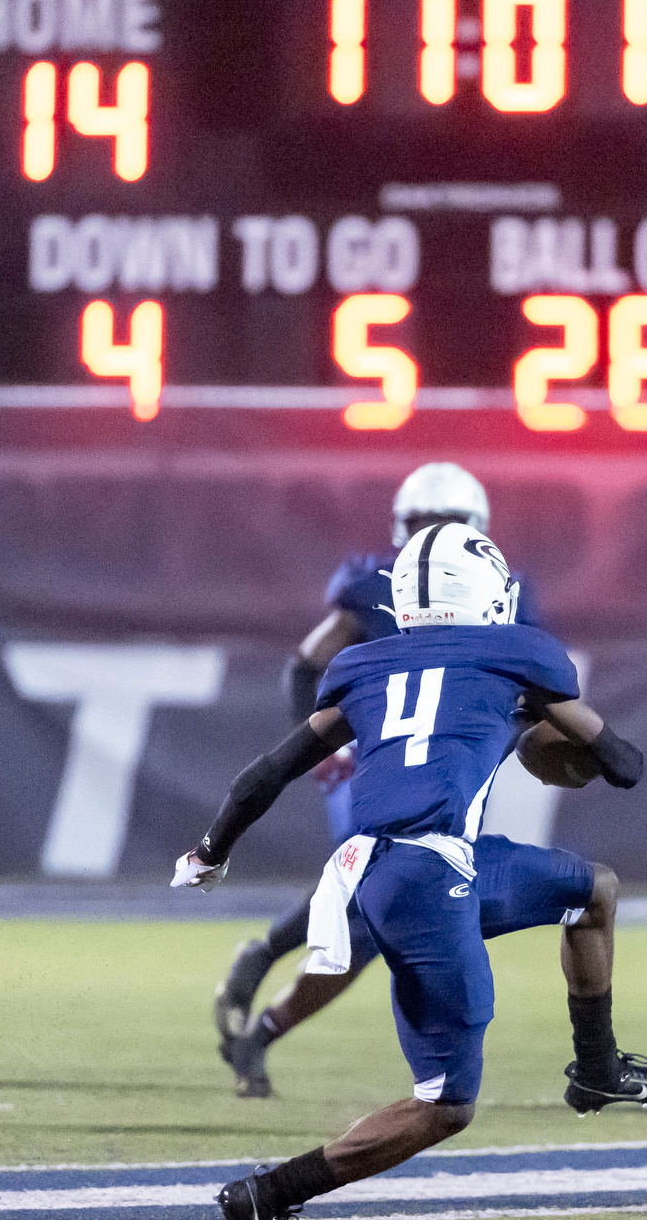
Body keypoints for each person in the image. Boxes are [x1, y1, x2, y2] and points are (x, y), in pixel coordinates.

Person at [174, 523, 647, 1220]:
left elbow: (266, 773)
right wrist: (535, 718)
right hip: (430, 875)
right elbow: (625, 764)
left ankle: (598, 1068)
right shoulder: (519, 652)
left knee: (592, 889)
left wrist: (210, 852)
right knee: (446, 1104)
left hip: (398, 866)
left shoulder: (364, 664)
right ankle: (270, 1193)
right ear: (483, 590)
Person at [212, 462, 547, 1098]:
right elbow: (305, 665)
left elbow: (531, 690)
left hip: (449, 770)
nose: (438, 538)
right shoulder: (376, 587)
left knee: (372, 930)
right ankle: (267, 966)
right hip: (377, 762)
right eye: (427, 523)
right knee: (375, 897)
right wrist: (318, 745)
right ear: (404, 528)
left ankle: (261, 1017)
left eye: (451, 525)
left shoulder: (501, 596)